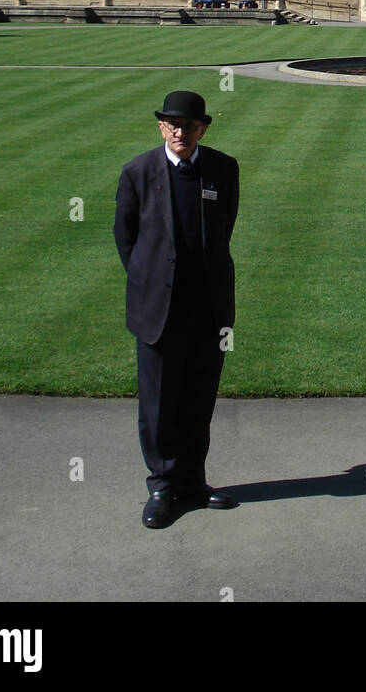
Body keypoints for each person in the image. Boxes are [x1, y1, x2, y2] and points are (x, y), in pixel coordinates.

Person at [113, 90, 240, 529]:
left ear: (203, 128)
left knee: (198, 399)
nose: (180, 132)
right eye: (172, 125)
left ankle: (192, 481)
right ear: (161, 127)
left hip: (207, 306)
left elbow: (222, 231)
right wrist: (153, 281)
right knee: (159, 402)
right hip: (159, 309)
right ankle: (162, 485)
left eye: (188, 126)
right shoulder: (139, 172)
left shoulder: (223, 169)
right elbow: (126, 239)